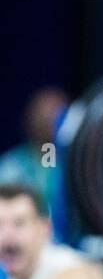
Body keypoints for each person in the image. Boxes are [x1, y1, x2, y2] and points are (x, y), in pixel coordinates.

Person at [0, 89, 67, 217]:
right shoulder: (9, 166)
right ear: (28, 120)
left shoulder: (80, 165)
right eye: (44, 116)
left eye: (56, 115)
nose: (49, 121)